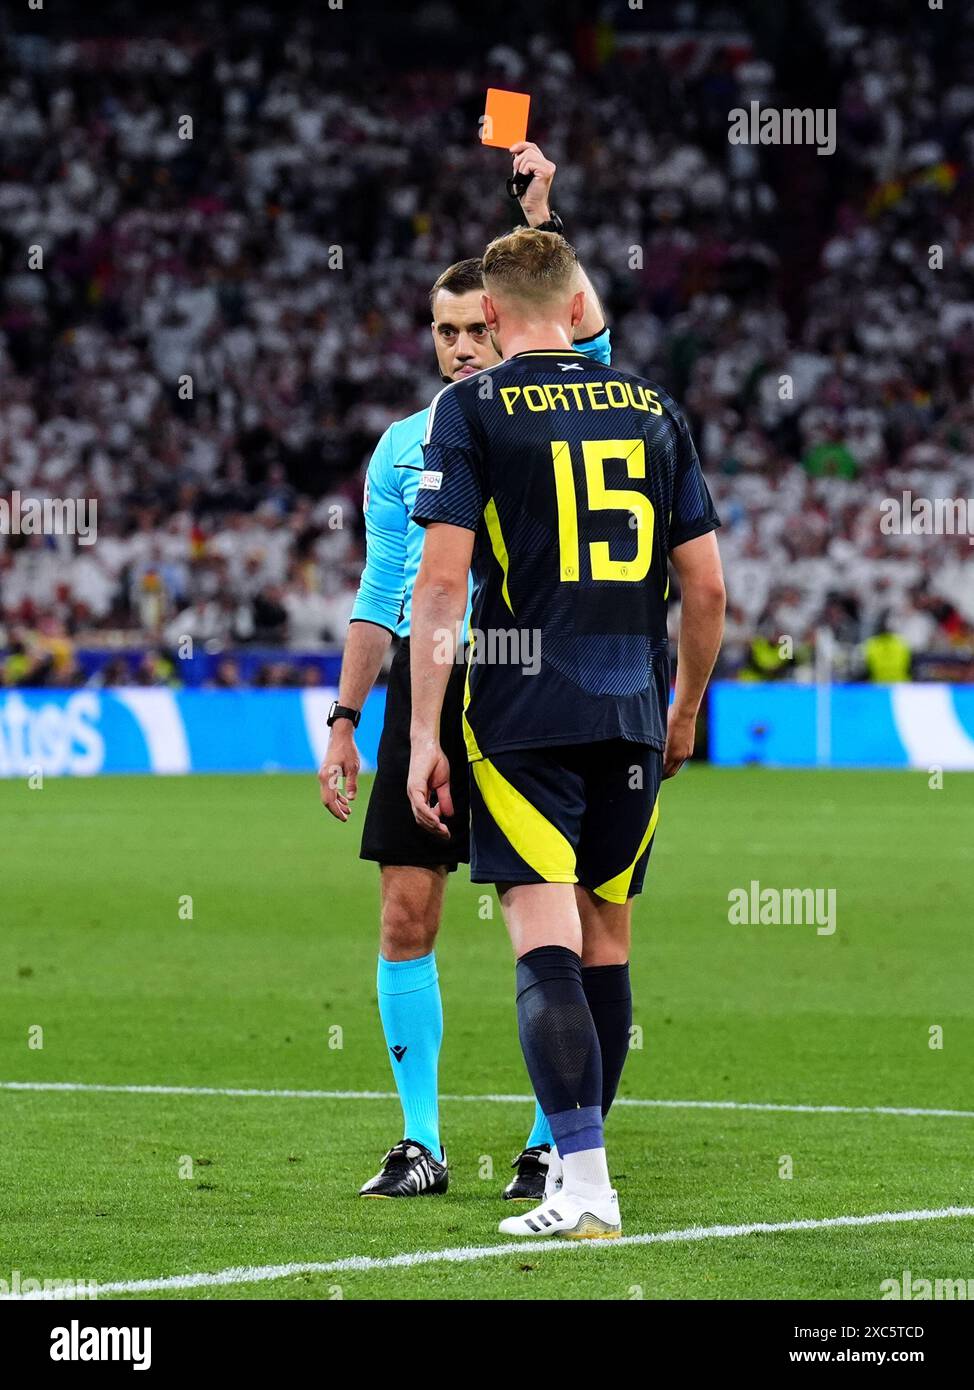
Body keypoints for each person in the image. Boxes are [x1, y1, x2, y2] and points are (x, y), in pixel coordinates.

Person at [407, 227, 725, 1238]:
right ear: (578, 305)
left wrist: (422, 731)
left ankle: (582, 1187)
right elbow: (707, 584)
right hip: (633, 706)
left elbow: (444, 579)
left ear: (490, 314)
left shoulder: (471, 408)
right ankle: (573, 1167)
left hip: (518, 710)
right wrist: (681, 713)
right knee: (607, 937)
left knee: (540, 938)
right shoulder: (653, 408)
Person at [318, 145, 613, 1199]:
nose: (455, 348)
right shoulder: (401, 447)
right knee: (407, 910)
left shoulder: (557, 407)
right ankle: (418, 1142)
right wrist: (347, 716)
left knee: (552, 912)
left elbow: (589, 332)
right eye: (440, 333)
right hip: (425, 688)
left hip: (530, 683)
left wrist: (542, 209)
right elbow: (382, 588)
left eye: (470, 329)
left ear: (504, 321)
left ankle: (549, 1137)